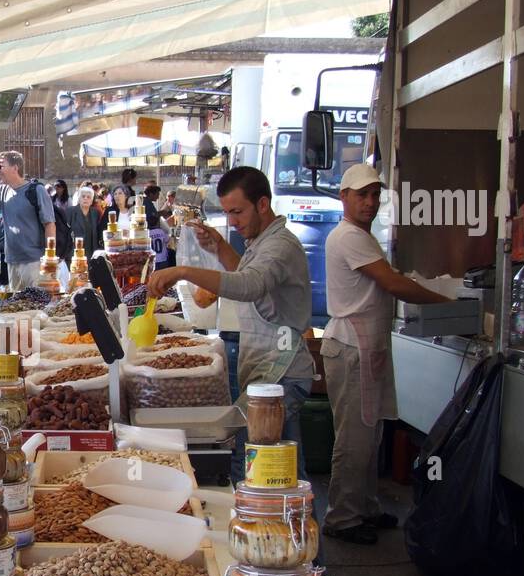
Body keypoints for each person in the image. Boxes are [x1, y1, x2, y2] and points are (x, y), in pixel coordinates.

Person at [148, 166, 315, 484]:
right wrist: (219, 248)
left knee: (259, 469)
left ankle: (268, 529)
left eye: (238, 212)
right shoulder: (262, 241)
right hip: (269, 373)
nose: (234, 221)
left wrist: (182, 271)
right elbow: (247, 276)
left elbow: (249, 286)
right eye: (227, 213)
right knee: (286, 472)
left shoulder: (280, 247)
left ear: (263, 204)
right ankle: (292, 529)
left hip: (281, 374)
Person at [322, 164, 450, 545]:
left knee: (371, 431)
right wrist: (446, 304)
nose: (370, 202)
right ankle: (342, 517)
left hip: (363, 346)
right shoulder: (349, 237)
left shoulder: (362, 236)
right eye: (362, 194)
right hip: (351, 347)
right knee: (356, 435)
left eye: (375, 194)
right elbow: (393, 283)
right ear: (344, 196)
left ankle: (363, 506)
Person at [0, 150, 55, 290]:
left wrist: (50, 259)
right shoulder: (2, 191)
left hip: (34, 261)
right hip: (12, 261)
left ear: (15, 168)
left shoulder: (37, 190)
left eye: (2, 167)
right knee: (17, 310)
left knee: (37, 308)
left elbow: (49, 224)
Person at [66, 184, 104, 257]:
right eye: (83, 196)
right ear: (79, 199)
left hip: (92, 253)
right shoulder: (70, 212)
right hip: (75, 253)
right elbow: (65, 233)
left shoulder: (95, 213)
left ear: (92, 200)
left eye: (88, 197)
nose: (85, 199)